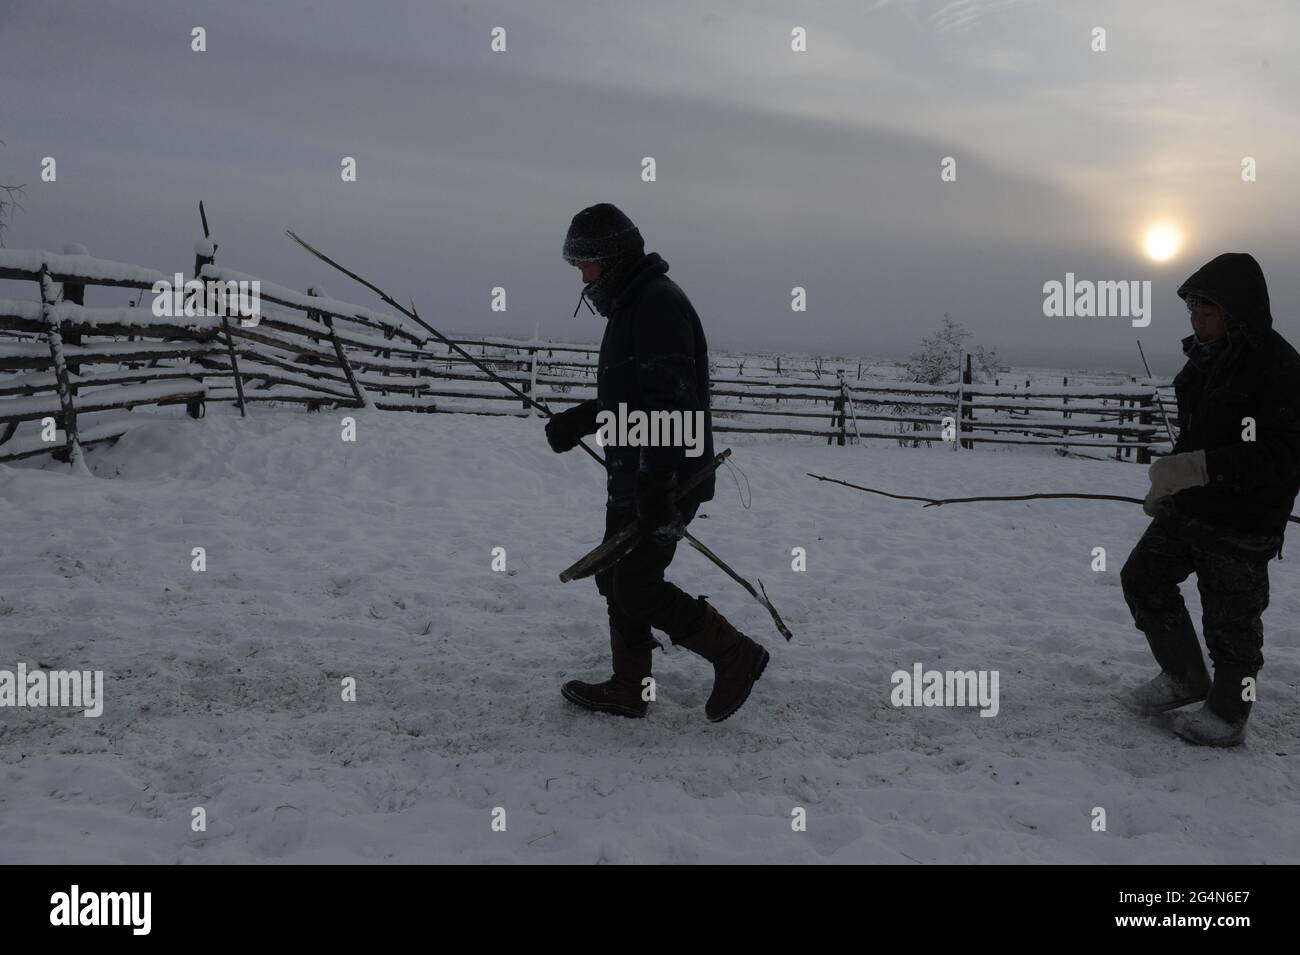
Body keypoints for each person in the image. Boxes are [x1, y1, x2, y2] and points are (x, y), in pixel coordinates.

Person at [544, 203, 769, 722]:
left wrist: (657, 485)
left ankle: (735, 654)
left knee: (637, 585)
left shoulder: (656, 305)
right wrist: (580, 419)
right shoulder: (633, 303)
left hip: (665, 477)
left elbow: (670, 403)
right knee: (616, 579)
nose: (582, 275)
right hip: (638, 473)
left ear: (612, 257)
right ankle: (630, 687)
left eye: (586, 264)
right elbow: (634, 397)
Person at [1122, 252, 1300, 746]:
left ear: (1238, 311)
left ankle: (1227, 713)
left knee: (1232, 621)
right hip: (1193, 507)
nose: (1198, 318)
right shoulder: (1204, 362)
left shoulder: (1280, 369)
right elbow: (1197, 436)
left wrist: (1201, 467)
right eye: (1193, 309)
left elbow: (1281, 453)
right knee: (1143, 577)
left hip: (1244, 519)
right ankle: (1182, 675)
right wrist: (1170, 482)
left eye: (1209, 309)